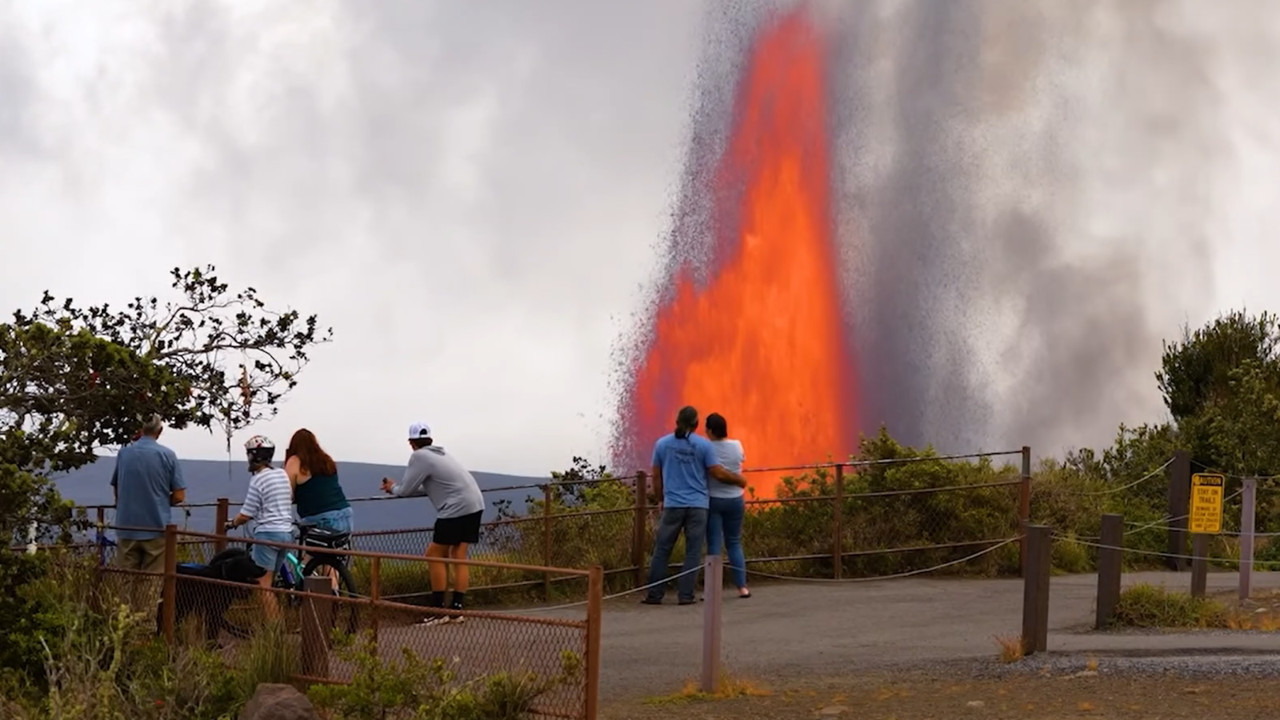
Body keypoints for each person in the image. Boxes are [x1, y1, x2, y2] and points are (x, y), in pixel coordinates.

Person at [381, 422, 485, 626]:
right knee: (459, 556)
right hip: (475, 504)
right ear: (430, 439)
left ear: (411, 442)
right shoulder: (441, 454)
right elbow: (430, 487)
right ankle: (456, 610)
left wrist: (392, 487)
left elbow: (406, 490)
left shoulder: (419, 457)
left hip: (454, 508)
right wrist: (399, 488)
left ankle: (438, 611)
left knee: (434, 554)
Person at [642, 406, 746, 606]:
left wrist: (660, 498)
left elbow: (656, 475)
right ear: (697, 424)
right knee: (693, 551)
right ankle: (685, 595)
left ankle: (654, 595)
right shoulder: (704, 446)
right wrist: (739, 480)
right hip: (698, 506)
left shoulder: (662, 444)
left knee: (662, 549)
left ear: (677, 422)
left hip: (672, 505)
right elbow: (717, 473)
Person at [111, 414, 186, 610]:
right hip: (156, 528)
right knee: (150, 583)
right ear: (160, 431)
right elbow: (179, 496)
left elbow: (117, 488)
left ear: (140, 429)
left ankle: (122, 626)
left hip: (126, 526)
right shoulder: (167, 455)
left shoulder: (124, 453)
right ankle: (144, 630)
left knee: (124, 582)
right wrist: (161, 501)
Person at [224, 435, 293, 619]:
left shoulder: (258, 480)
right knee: (274, 581)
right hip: (286, 533)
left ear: (254, 456)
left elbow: (246, 514)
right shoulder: (281, 474)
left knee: (264, 586)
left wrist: (232, 523)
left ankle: (274, 633)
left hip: (267, 534)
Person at [704, 413, 751, 598]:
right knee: (734, 542)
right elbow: (740, 461)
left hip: (713, 500)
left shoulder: (706, 448)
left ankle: (713, 590)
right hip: (735, 500)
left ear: (709, 430)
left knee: (714, 544)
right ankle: (742, 587)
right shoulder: (737, 445)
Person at [285, 428, 353, 533]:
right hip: (345, 514)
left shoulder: (295, 462)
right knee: (339, 547)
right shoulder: (326, 460)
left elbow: (287, 493)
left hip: (320, 518)